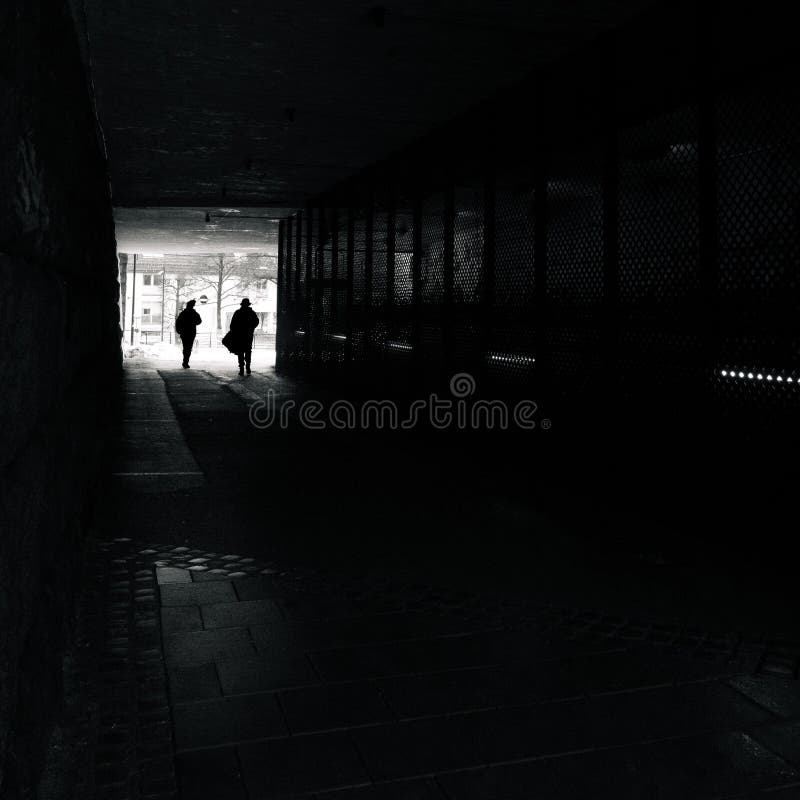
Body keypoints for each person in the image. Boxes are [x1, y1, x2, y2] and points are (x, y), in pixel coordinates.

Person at [228, 298, 260, 375]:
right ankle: (248, 368)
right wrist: (251, 328)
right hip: (248, 335)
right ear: (248, 305)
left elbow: (232, 324)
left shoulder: (237, 312)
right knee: (248, 350)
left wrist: (234, 332)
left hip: (239, 335)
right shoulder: (252, 313)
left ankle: (241, 369)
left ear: (242, 304)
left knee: (240, 351)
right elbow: (256, 322)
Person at [175, 299, 202, 368]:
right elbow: (199, 321)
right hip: (191, 332)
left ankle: (185, 361)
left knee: (185, 347)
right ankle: (185, 362)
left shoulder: (183, 313)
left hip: (184, 332)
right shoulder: (194, 313)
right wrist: (193, 322)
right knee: (189, 347)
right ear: (192, 306)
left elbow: (178, 322)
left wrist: (179, 330)